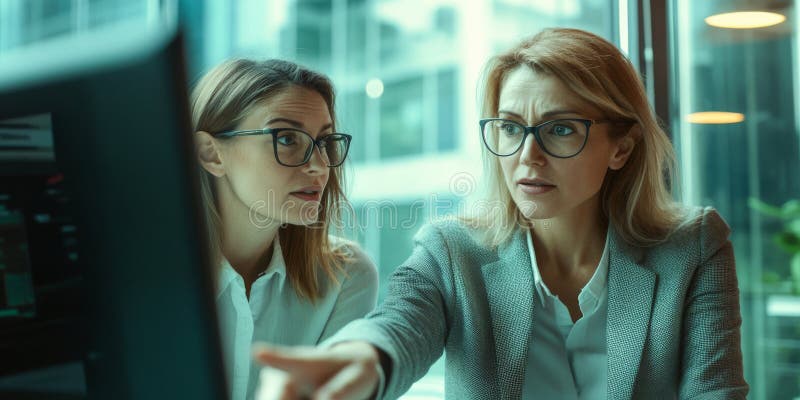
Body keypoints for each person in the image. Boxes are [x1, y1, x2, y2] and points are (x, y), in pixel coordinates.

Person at [253, 28, 748, 399]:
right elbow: (398, 325)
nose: (527, 157)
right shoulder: (453, 250)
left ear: (622, 146)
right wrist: (363, 358)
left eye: (559, 130)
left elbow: (715, 390)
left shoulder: (692, 247)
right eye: (510, 128)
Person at [191, 59, 379, 400]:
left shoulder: (346, 277)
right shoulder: (146, 278)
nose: (319, 166)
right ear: (211, 154)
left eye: (323, 142)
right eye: (287, 138)